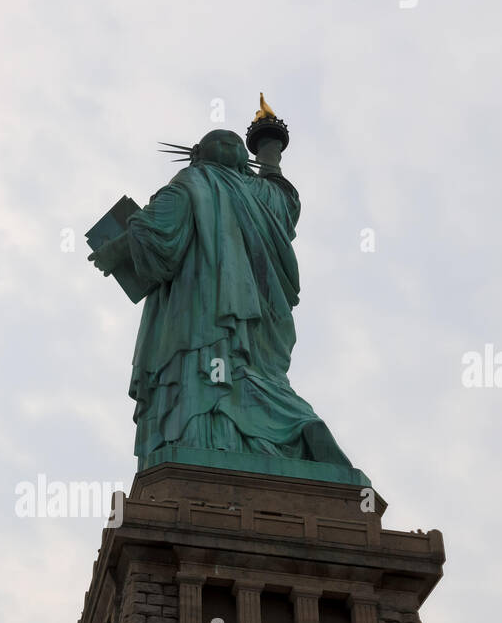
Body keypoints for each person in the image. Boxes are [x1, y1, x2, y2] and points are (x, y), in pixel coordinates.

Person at [89, 129, 354, 471]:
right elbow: (286, 201)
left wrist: (114, 249)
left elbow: (156, 232)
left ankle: (206, 445)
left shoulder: (194, 180)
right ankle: (287, 432)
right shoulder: (260, 192)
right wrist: (270, 152)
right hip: (252, 315)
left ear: (199, 153)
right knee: (243, 374)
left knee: (206, 370)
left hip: (202, 309)